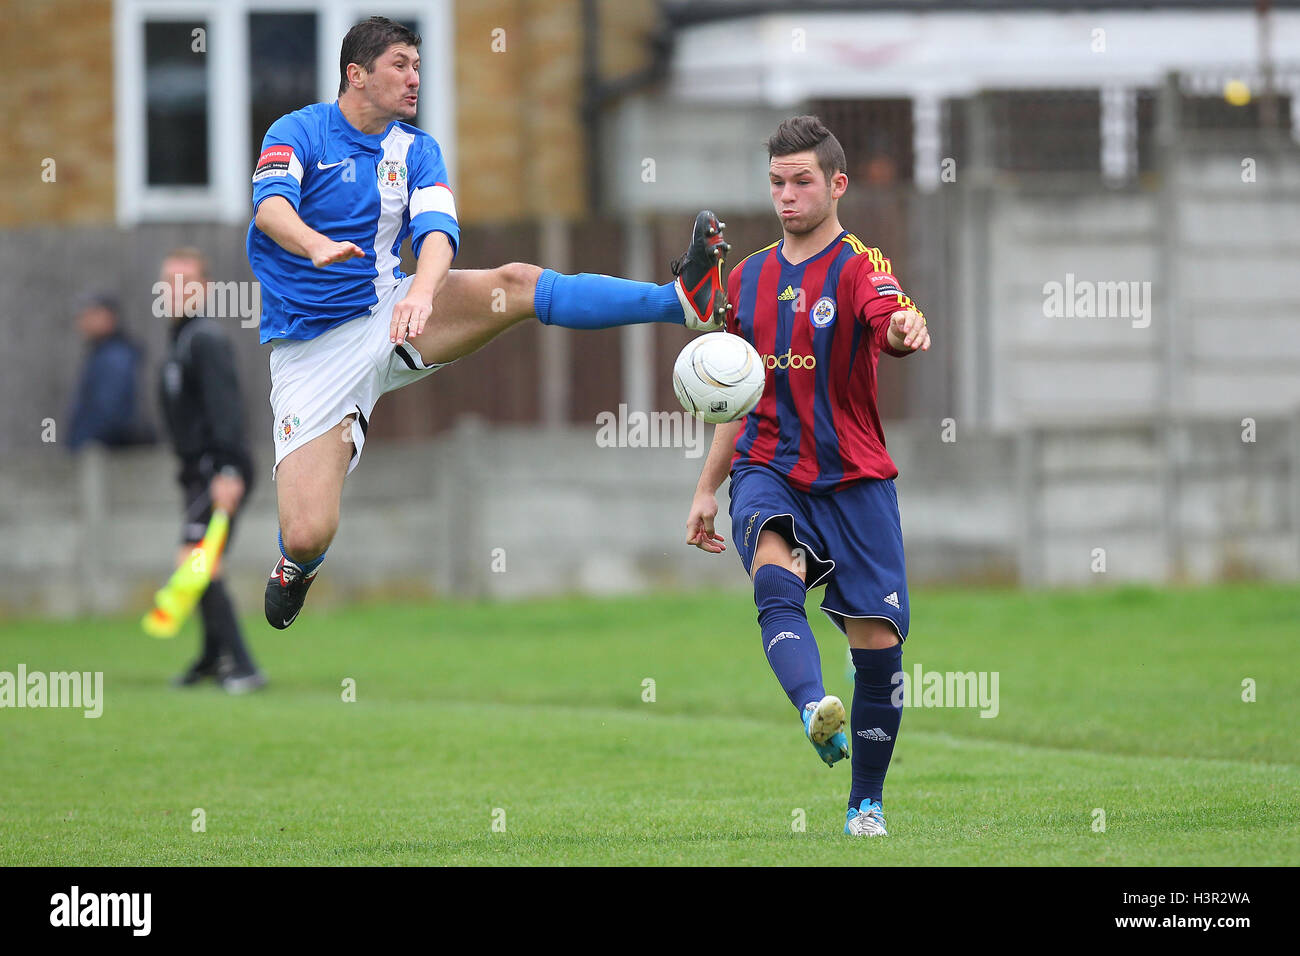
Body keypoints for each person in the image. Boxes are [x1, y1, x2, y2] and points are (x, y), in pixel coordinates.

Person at [250, 17, 729, 629]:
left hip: (387, 313)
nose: (414, 78)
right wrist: (315, 244)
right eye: (400, 64)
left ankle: (680, 302)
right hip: (310, 354)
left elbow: (438, 235)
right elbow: (270, 208)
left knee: (517, 284)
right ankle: (296, 565)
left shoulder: (417, 150)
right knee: (311, 530)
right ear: (356, 74)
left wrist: (421, 293)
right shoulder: (298, 131)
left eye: (418, 66)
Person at [684, 116, 931, 837]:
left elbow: (889, 317)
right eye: (776, 183)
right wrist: (707, 488)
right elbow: (735, 393)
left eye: (801, 182)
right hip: (771, 468)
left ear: (836, 185)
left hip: (855, 479)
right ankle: (811, 705)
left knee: (879, 652)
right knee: (773, 573)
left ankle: (865, 805)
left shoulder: (860, 265)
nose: (786, 196)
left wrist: (904, 331)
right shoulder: (749, 277)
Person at [156, 247, 265, 694]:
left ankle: (242, 666)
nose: (175, 290)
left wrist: (225, 470)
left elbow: (227, 410)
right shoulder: (179, 340)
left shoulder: (206, 339)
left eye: (185, 282)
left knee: (197, 564)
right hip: (196, 473)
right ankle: (209, 658)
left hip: (218, 471)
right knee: (201, 564)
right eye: (168, 282)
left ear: (203, 290)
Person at [67, 294, 154, 450]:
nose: (82, 323)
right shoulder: (103, 354)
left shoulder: (115, 357)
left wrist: (85, 443)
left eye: (90, 315)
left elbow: (109, 410)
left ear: (107, 317)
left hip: (106, 455)